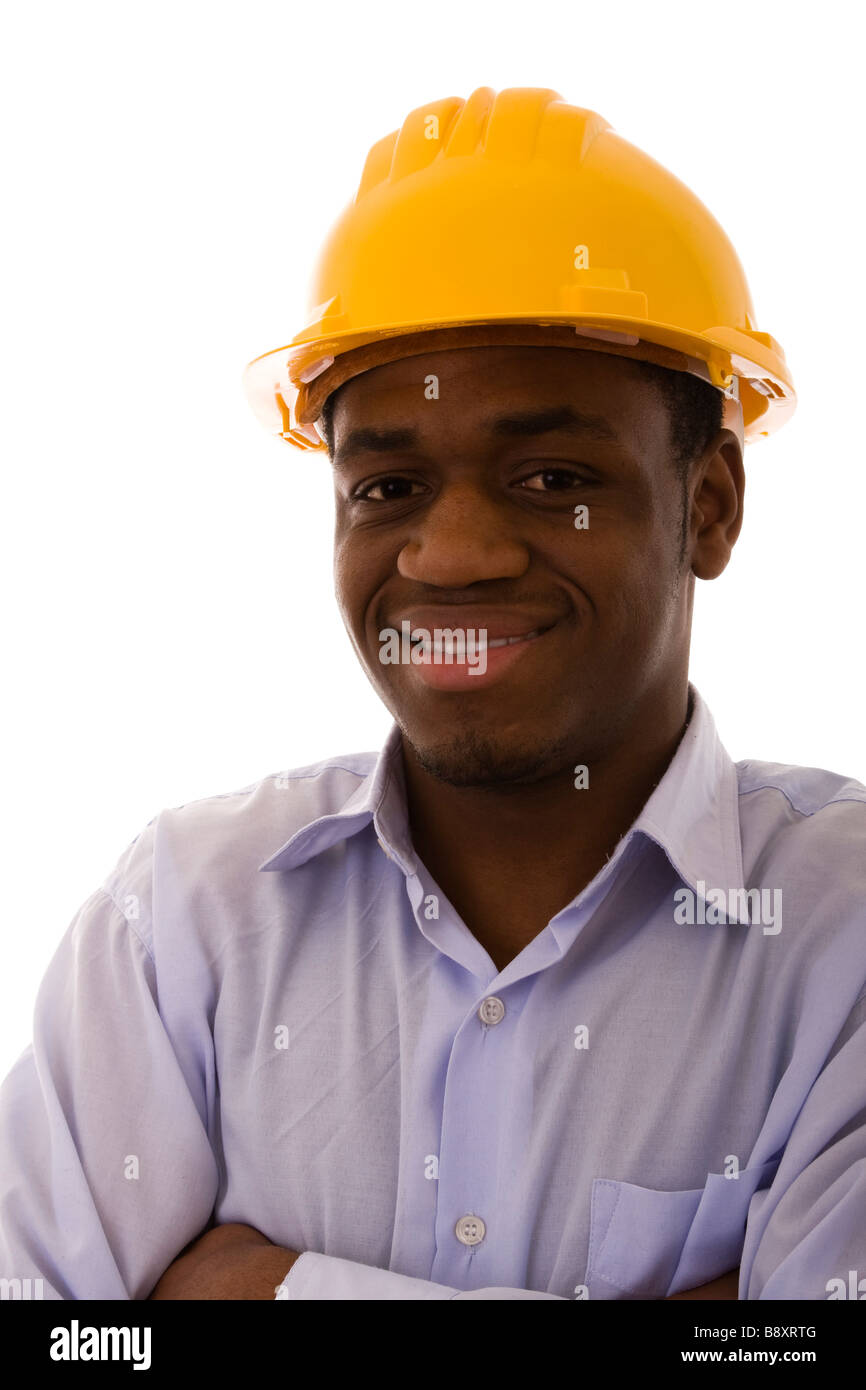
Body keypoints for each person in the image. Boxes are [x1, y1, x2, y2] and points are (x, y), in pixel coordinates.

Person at [1, 86, 864, 1303]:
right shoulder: (184, 924)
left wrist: (275, 1291)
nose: (448, 554)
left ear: (708, 505)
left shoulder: (843, 941)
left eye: (549, 475)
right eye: (387, 488)